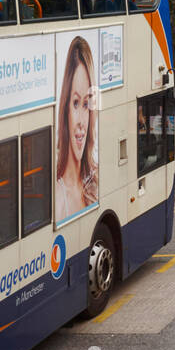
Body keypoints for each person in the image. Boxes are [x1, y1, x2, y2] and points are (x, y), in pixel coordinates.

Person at [55, 35, 99, 221]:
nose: (82, 121)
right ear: (65, 109)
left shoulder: (95, 179)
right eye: (75, 103)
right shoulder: (58, 196)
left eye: (86, 104)